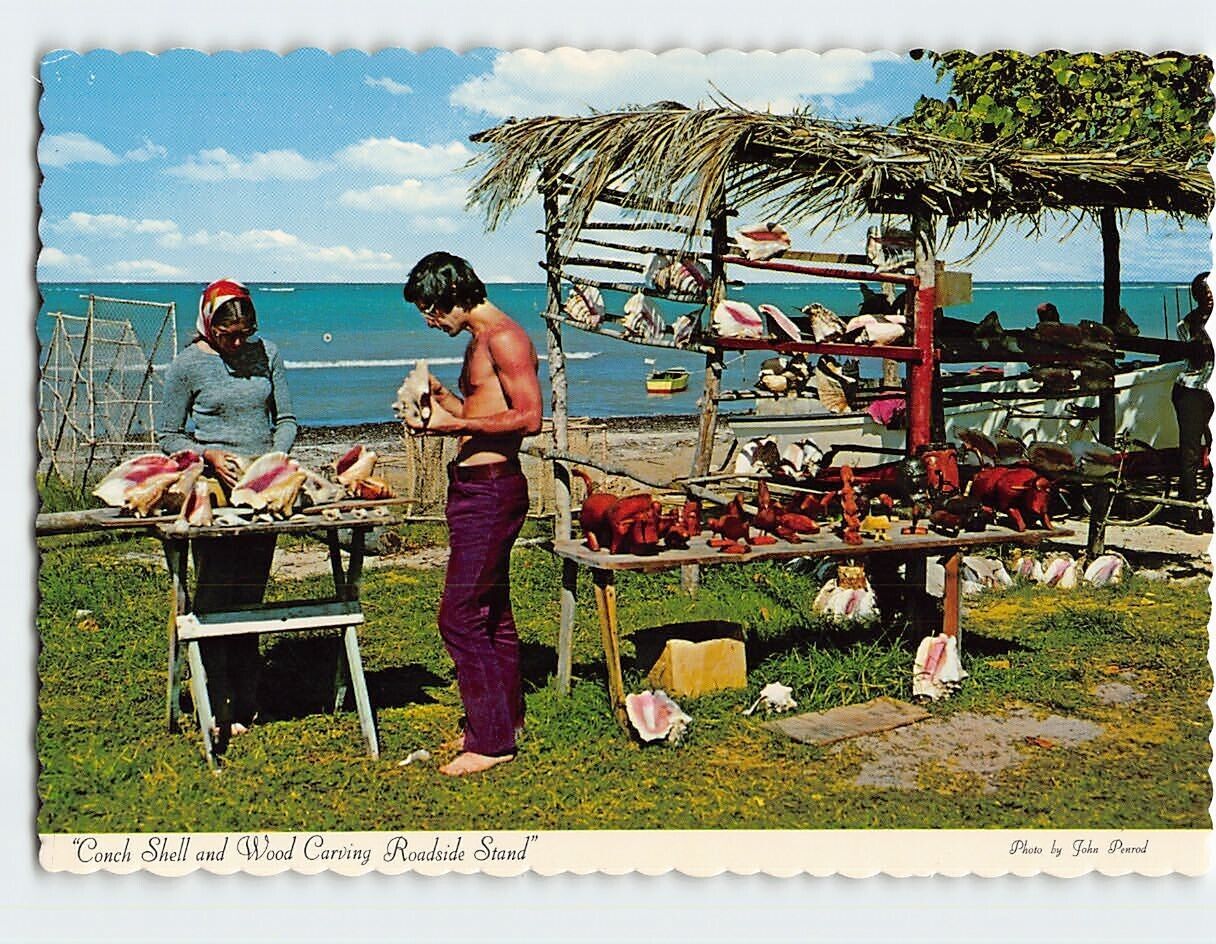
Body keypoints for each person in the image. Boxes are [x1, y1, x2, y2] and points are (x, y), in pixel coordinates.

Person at [401, 252, 542, 776]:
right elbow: (484, 413)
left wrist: (443, 429)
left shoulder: (504, 337)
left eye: (430, 310)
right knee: (490, 611)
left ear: (450, 297)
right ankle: (506, 719)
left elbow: (529, 419)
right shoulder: (479, 341)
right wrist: (447, 403)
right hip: (473, 486)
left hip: (491, 489)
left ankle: (490, 742)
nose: (429, 321)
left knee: (458, 615)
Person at [158, 278, 298, 745]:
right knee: (215, 594)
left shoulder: (268, 355)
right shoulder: (186, 367)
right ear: (208, 324)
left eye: (243, 335)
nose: (237, 345)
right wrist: (208, 456)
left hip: (264, 488)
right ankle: (214, 699)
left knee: (250, 593)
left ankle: (246, 694)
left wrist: (274, 459)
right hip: (213, 494)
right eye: (227, 337)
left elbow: (287, 419)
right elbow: (169, 436)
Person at [1171, 272, 1214, 533]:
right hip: (1192, 391)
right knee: (1190, 452)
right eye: (1206, 291)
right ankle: (1189, 511)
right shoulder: (1189, 324)